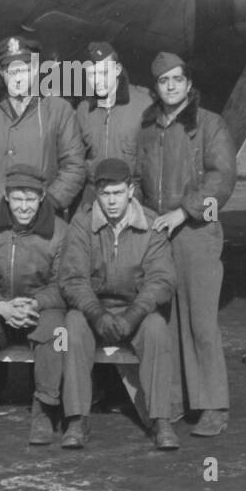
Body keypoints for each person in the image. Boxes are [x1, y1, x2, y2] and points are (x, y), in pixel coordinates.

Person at [136, 52, 237, 437]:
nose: (172, 86)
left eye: (178, 79)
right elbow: (135, 179)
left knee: (201, 322)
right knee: (167, 320)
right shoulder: (148, 129)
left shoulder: (210, 125)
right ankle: (176, 399)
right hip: (158, 236)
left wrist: (184, 212)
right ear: (155, 88)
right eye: (164, 81)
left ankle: (213, 404)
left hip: (197, 234)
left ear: (189, 84)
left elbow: (222, 180)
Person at [59, 158, 178, 450]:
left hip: (134, 310)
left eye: (117, 192)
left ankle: (161, 418)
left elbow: (161, 280)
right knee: (72, 326)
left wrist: (134, 314)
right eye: (105, 193)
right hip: (94, 309)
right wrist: (96, 315)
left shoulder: (151, 225)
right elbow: (73, 278)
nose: (111, 201)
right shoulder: (82, 225)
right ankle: (77, 418)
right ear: (96, 194)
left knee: (156, 328)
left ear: (130, 191)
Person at [0, 164, 68, 444]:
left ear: (42, 198)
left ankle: (45, 409)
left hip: (39, 309)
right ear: (6, 197)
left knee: (55, 333)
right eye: (17, 199)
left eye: (31, 199)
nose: (24, 207)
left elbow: (65, 283)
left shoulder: (60, 231)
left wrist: (34, 303)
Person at [0, 34, 86, 220]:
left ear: (35, 69)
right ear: (2, 72)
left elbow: (74, 165)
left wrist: (51, 201)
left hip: (43, 218)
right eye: (11, 71)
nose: (18, 77)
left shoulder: (59, 109)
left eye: (24, 69)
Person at [74, 41, 153, 206]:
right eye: (92, 74)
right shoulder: (83, 109)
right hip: (93, 197)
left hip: (131, 197)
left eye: (103, 73)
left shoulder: (144, 105)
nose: (97, 80)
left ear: (117, 70)